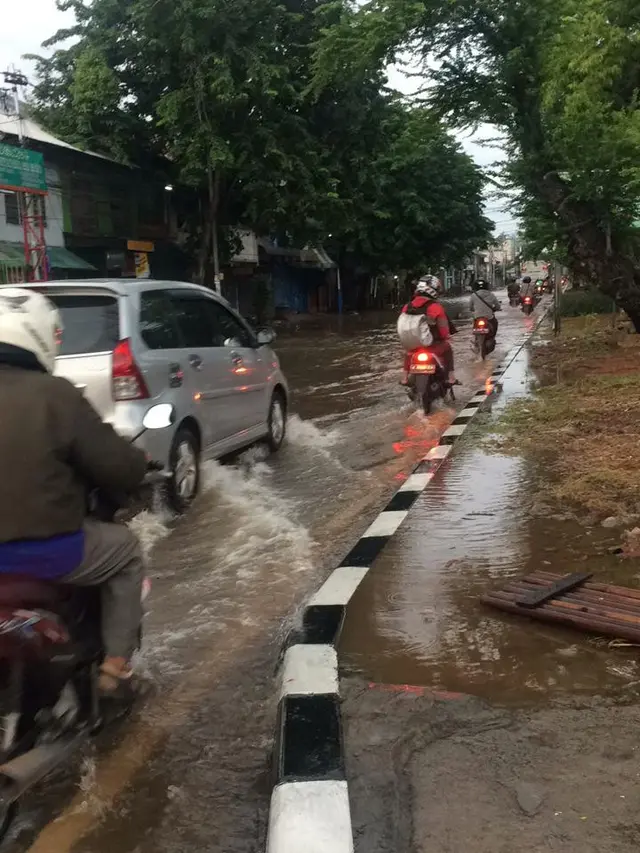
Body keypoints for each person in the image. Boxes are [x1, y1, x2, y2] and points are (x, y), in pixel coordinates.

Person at [0, 288, 148, 699]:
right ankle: (115, 669)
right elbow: (119, 467)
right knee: (127, 552)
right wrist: (139, 464)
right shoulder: (56, 395)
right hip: (46, 555)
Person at [400, 275, 457, 385]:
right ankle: (451, 377)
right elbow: (444, 331)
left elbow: (402, 327)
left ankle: (404, 378)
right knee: (447, 348)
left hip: (413, 346)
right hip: (433, 347)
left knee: (408, 353)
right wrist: (446, 337)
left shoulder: (407, 306)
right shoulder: (435, 307)